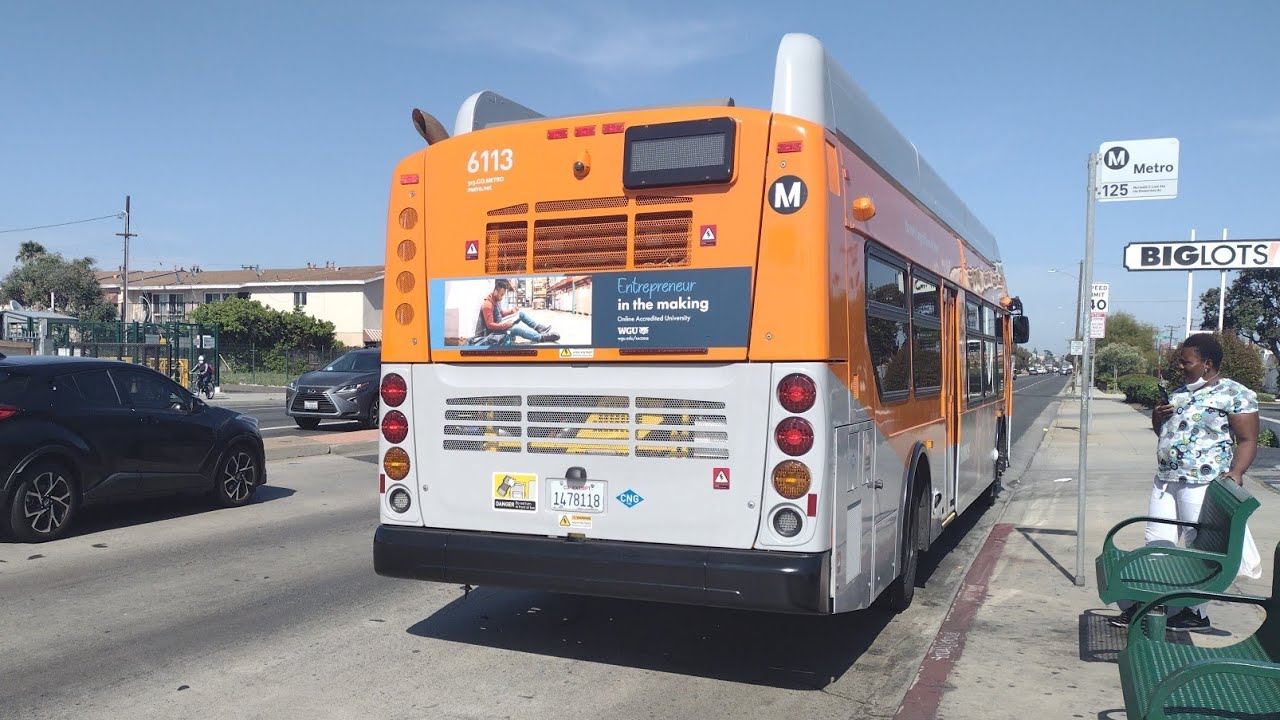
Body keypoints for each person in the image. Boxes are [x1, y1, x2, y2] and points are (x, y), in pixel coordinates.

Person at [1110, 333, 1260, 631]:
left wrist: (1238, 471)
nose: (1180, 365)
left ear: (1207, 364)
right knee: (1157, 543)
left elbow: (1247, 439)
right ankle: (1149, 605)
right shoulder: (1178, 393)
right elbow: (1164, 434)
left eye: (1186, 361)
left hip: (1201, 482)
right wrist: (1156, 417)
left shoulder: (1235, 394)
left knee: (1198, 549)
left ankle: (1195, 612)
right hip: (1166, 479)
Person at [477, 279, 560, 344]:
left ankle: (539, 328)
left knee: (521, 314)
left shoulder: (496, 300)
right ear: (495, 292)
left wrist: (511, 311)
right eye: (501, 294)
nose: (502, 297)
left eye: (503, 295)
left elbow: (501, 314)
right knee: (517, 329)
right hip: (496, 331)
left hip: (501, 323)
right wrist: (505, 325)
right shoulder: (487, 305)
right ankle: (541, 337)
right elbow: (490, 326)